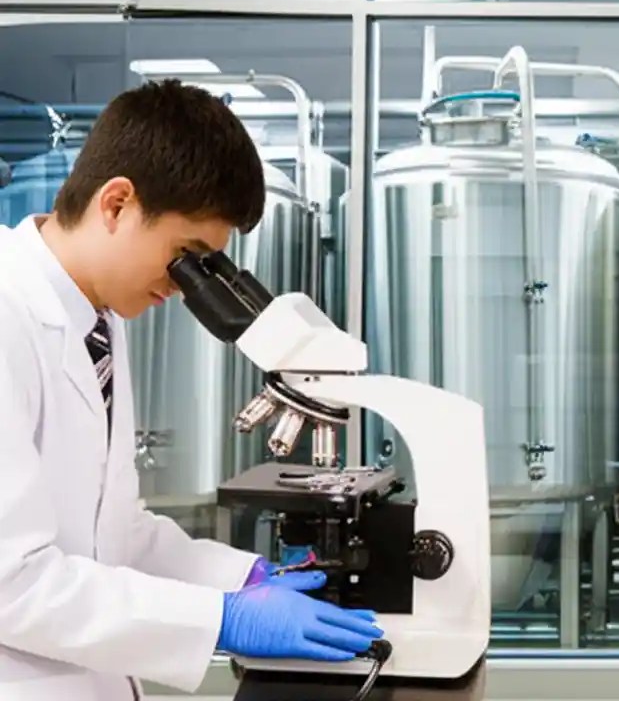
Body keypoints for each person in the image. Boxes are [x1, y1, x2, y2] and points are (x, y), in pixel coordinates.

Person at [0, 80, 383, 701]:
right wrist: (224, 620)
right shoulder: (6, 315)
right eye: (185, 255)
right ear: (117, 204)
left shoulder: (96, 319)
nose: (184, 285)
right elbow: (11, 582)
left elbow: (116, 533)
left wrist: (243, 577)